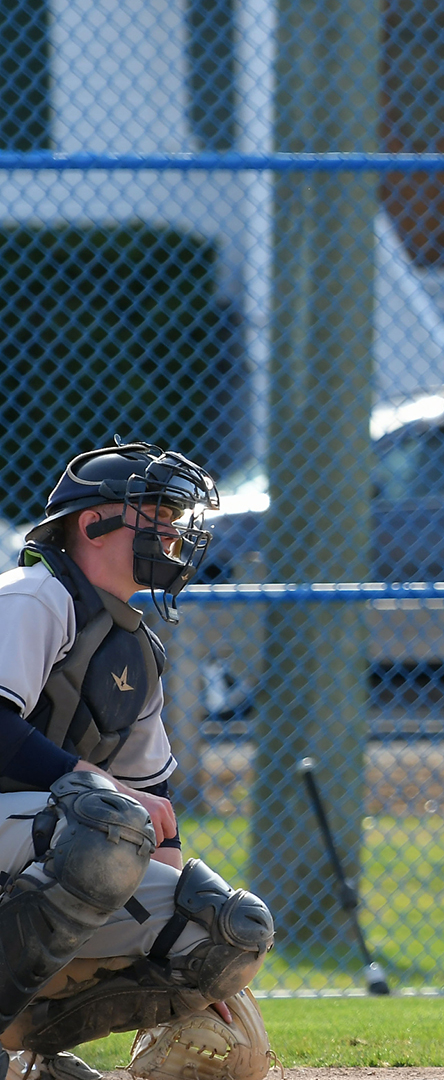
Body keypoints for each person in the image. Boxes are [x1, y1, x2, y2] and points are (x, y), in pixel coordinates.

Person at [0, 442, 276, 1080]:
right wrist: (91, 785)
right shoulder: (35, 597)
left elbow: (156, 818)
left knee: (225, 928)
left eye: (177, 517)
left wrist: (196, 975)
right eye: (155, 513)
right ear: (93, 524)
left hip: (38, 845)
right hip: (31, 833)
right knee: (104, 822)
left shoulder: (136, 650)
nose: (175, 532)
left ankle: (33, 1054)